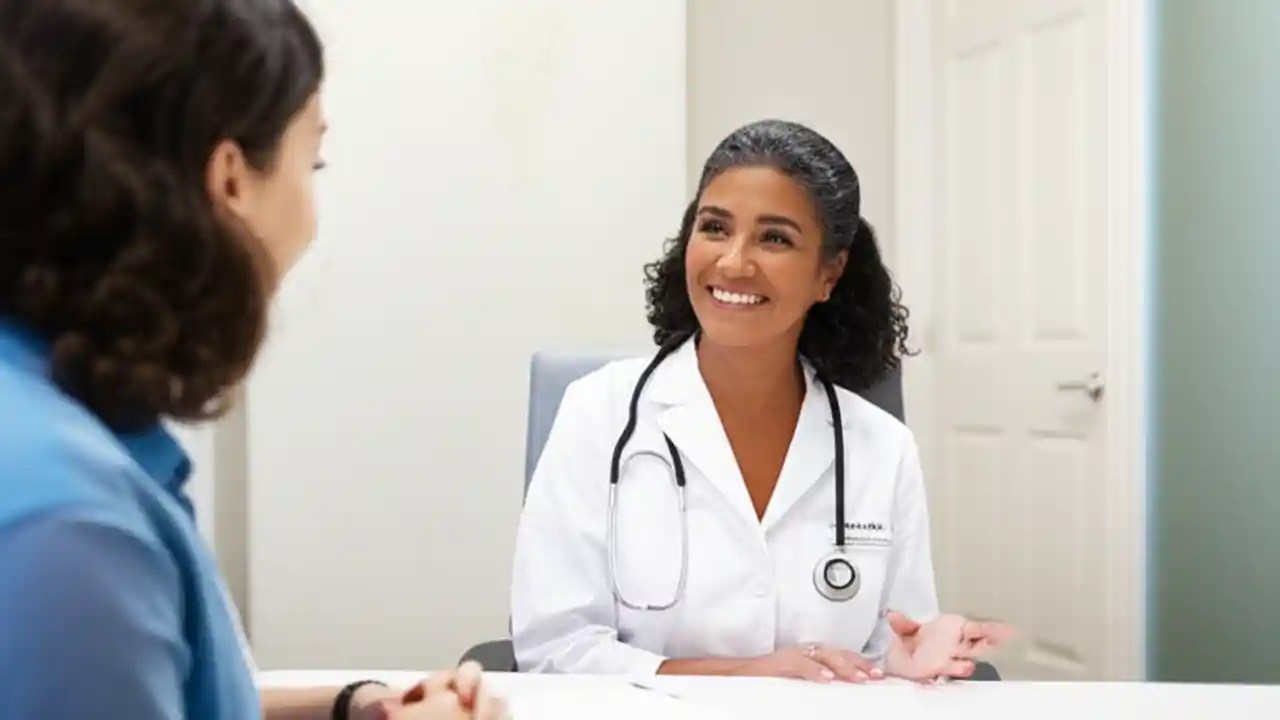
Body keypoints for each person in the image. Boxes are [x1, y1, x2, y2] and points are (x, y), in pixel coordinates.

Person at [0, 1, 505, 718]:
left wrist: (348, 704)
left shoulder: (48, 432)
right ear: (232, 179)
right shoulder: (73, 528)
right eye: (314, 160)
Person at [510, 120, 1012, 683]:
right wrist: (741, 673)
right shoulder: (598, 414)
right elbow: (555, 648)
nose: (733, 263)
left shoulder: (880, 446)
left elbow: (883, 645)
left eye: (775, 238)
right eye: (715, 228)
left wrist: (911, 659)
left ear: (829, 272)